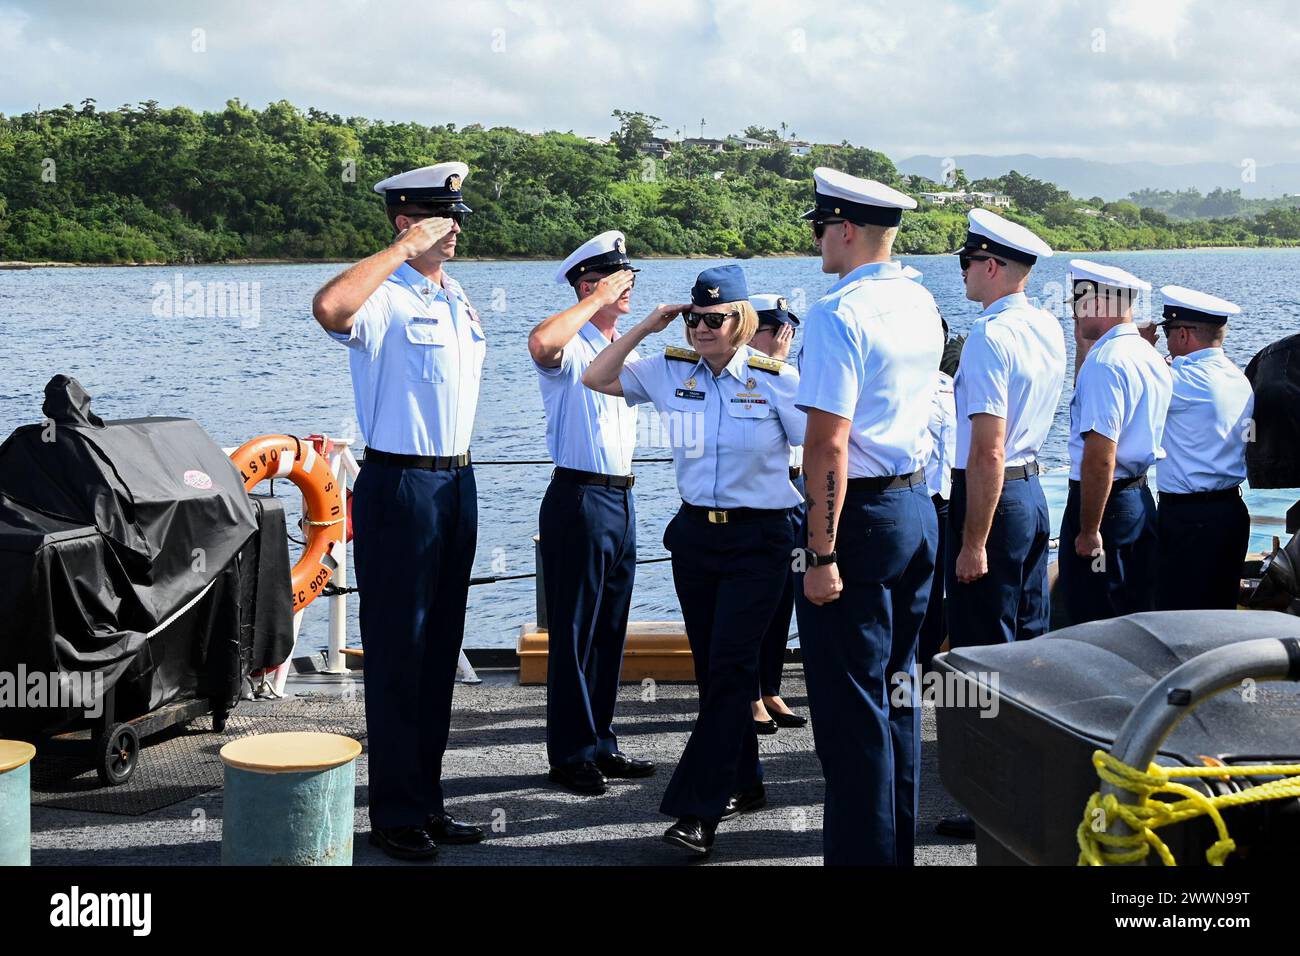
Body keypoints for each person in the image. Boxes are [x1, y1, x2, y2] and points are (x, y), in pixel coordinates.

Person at [582, 264, 806, 856]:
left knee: (731, 667)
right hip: (697, 539)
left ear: (742, 321)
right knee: (714, 670)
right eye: (695, 318)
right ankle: (745, 780)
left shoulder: (776, 379)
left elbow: (824, 444)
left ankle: (697, 811)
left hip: (761, 539)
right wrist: (648, 326)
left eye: (716, 318)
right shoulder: (669, 369)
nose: (703, 328)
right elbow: (595, 376)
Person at [312, 161, 485, 861]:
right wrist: (402, 251)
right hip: (401, 485)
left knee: (438, 653)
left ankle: (428, 801)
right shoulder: (383, 295)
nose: (455, 231)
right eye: (441, 220)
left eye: (458, 219)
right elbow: (330, 308)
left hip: (456, 484)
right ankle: (395, 812)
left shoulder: (456, 297)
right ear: (406, 222)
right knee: (397, 654)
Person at [794, 167, 945, 866]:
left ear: (847, 230)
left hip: (858, 519)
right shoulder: (920, 300)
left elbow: (827, 443)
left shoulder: (838, 313)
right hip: (914, 507)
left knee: (851, 717)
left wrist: (820, 555)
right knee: (898, 698)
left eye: (821, 227)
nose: (818, 240)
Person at [527, 230, 654, 795]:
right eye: (616, 280)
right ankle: (571, 753)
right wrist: (596, 300)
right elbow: (540, 342)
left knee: (609, 631)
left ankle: (601, 741)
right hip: (579, 496)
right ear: (588, 285)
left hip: (622, 497)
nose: (627, 287)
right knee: (575, 632)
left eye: (628, 279)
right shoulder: (570, 346)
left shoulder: (621, 349)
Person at [1057, 260, 1172, 625]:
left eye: (1077, 302)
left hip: (1104, 507)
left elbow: (1100, 458)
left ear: (1096, 302)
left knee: (1094, 621)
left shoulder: (1106, 363)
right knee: (1136, 616)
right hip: (1138, 499)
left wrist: (1089, 530)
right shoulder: (1146, 354)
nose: (1073, 312)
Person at [1155, 285, 1254, 610]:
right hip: (1230, 512)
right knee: (1218, 613)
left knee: (1178, 615)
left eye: (1167, 332)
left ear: (1183, 334)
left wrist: (1141, 346)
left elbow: (1136, 378)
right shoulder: (1237, 378)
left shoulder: (1184, 381)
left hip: (1189, 519)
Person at [746, 293, 807, 734]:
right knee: (752, 604)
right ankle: (749, 694)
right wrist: (775, 365)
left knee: (782, 598)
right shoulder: (748, 377)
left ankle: (770, 686)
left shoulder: (786, 374)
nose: (786, 339)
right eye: (777, 330)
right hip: (757, 495)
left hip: (793, 492)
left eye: (789, 331)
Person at [918, 315, 957, 675]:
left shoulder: (951, 385)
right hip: (917, 497)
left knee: (941, 590)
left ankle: (929, 667)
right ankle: (907, 669)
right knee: (916, 591)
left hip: (948, 499)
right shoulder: (904, 385)